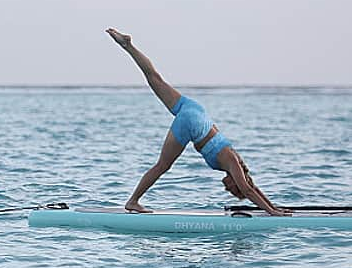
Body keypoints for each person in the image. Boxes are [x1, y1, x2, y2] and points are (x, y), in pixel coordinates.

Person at [105, 27, 288, 216]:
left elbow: (252, 187)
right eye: (233, 189)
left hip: (194, 110)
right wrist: (272, 213)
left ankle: (128, 45)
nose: (227, 189)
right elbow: (249, 189)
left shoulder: (235, 162)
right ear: (237, 180)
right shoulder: (232, 162)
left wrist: (273, 207)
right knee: (162, 166)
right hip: (193, 124)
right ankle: (133, 201)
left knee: (155, 79)